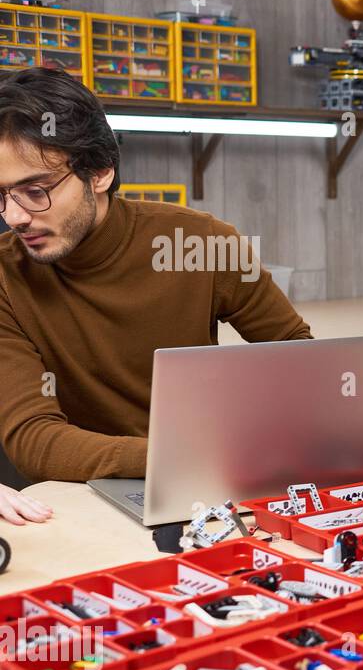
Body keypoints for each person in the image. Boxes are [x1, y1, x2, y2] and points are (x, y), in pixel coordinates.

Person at [0, 68, 311, 517]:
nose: (15, 217)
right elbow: (34, 440)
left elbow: (299, 362)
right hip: (87, 502)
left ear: (100, 172)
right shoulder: (6, 276)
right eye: (1, 196)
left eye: (35, 190)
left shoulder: (200, 242)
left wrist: (245, 442)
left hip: (212, 488)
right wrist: (189, 454)